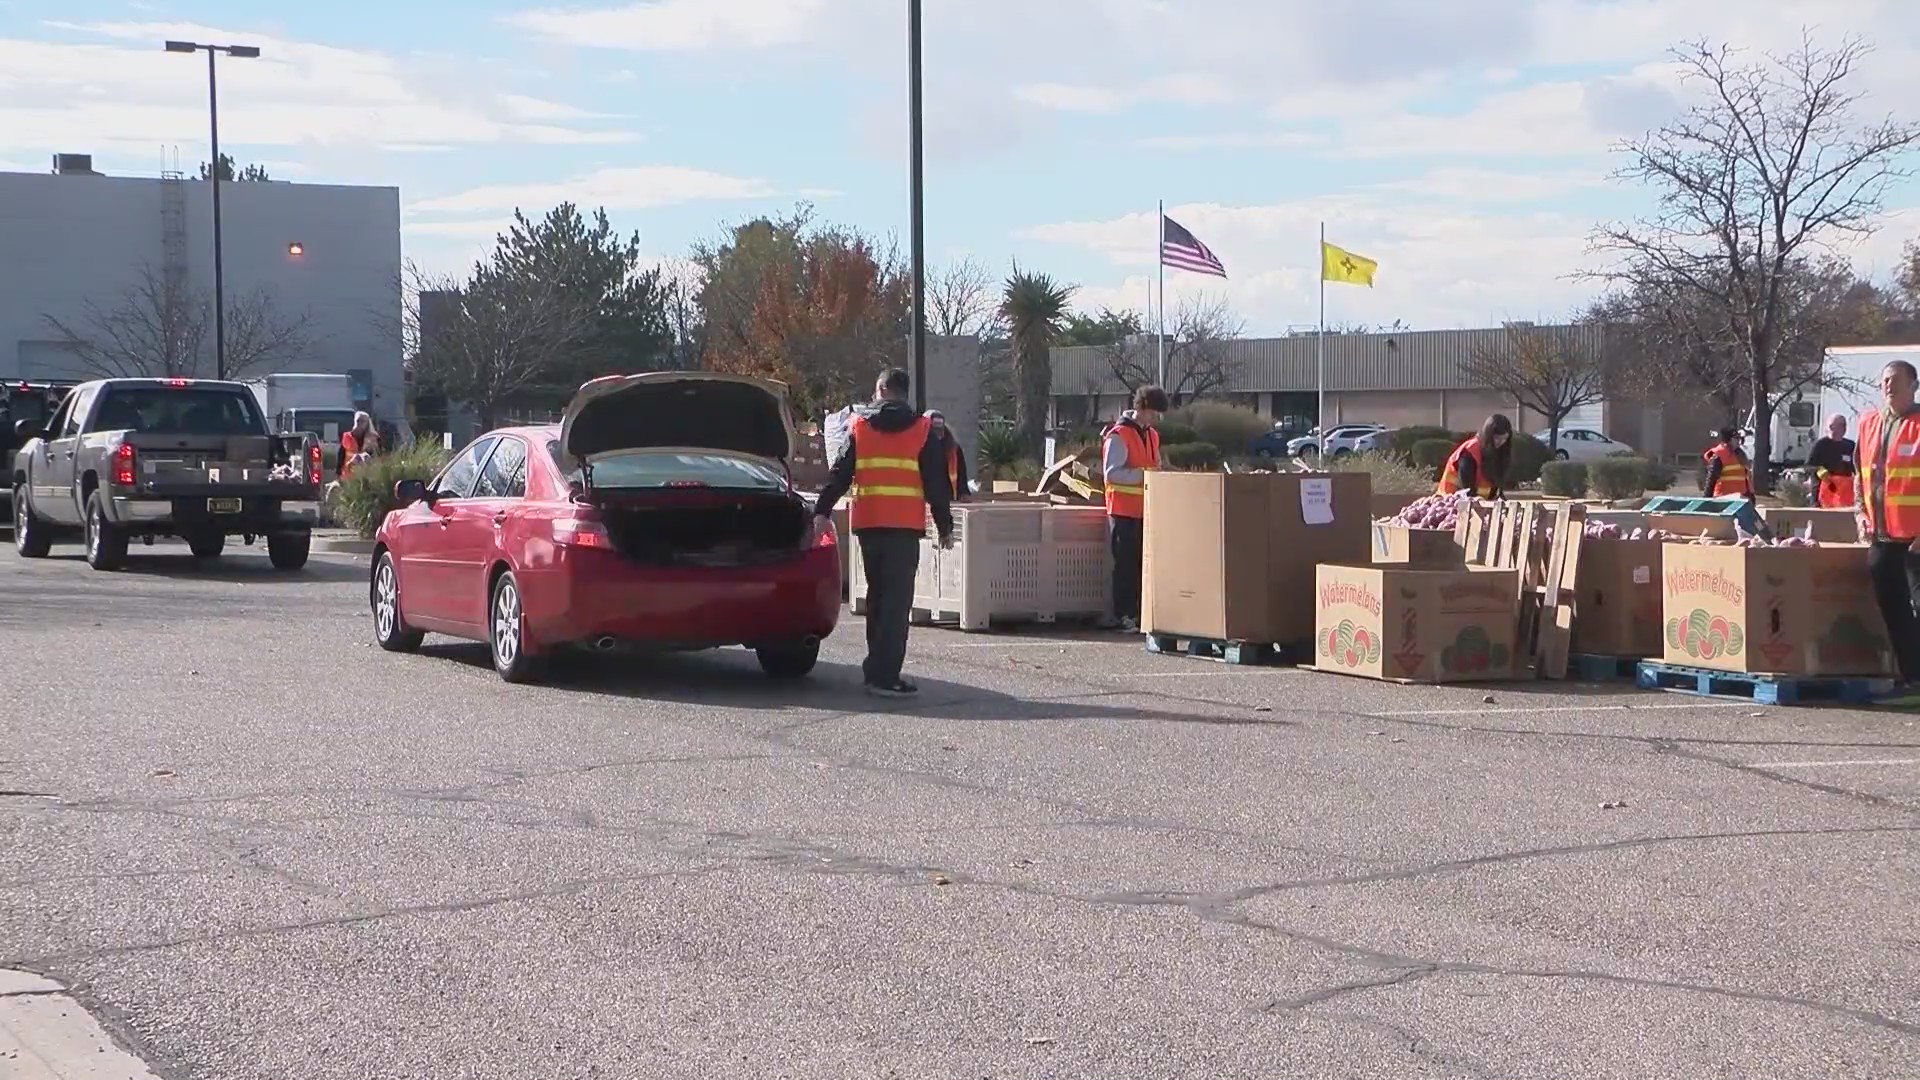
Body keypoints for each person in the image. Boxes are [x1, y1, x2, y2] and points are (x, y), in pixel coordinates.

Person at [813, 368, 955, 697]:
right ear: (904, 393)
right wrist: (945, 526)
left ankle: (875, 670)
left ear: (880, 389)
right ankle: (886, 676)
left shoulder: (859, 427)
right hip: (904, 528)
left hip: (869, 525)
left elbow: (840, 474)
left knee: (877, 599)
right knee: (896, 603)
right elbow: (936, 484)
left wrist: (821, 510)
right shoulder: (922, 431)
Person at [1854, 359, 1920, 687]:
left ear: (1914, 386)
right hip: (1882, 537)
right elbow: (1860, 477)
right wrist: (1860, 515)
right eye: (1884, 381)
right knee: (1894, 612)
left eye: (1896, 380)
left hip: (1916, 540)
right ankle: (1913, 679)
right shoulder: (1869, 424)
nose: (1888, 386)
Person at [1102, 385, 1168, 632]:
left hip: (1146, 511)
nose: (1154, 419)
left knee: (1142, 566)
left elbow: (1155, 464)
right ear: (1140, 409)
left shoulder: (1152, 435)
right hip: (1122, 511)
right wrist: (1145, 475)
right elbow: (1111, 474)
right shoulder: (1118, 435)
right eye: (1152, 413)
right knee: (1125, 565)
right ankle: (1124, 615)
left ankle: (1139, 614)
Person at [1436, 414, 1514, 499]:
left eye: (1504, 439)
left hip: (1480, 502)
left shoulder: (1498, 453)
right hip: (1449, 500)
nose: (1501, 442)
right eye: (1497, 438)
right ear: (1488, 436)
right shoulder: (1469, 452)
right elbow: (1466, 489)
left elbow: (1494, 487)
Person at [1806, 414, 1857, 509]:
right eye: (1831, 426)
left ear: (1844, 428)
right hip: (1821, 495)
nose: (1833, 429)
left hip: (1843, 497)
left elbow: (1857, 469)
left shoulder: (1850, 446)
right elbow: (1809, 466)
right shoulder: (1820, 445)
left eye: (1837, 426)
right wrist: (1820, 471)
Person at [924, 409, 969, 502]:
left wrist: (963, 493)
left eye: (939, 429)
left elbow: (961, 472)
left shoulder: (953, 448)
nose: (937, 434)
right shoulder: (918, 446)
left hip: (948, 497)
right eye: (933, 429)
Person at [1701, 427, 1753, 500]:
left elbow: (1745, 479)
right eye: (1736, 439)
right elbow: (1711, 480)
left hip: (1740, 499)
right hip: (1723, 498)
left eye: (1739, 439)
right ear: (1728, 440)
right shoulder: (1719, 455)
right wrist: (1706, 499)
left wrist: (1751, 496)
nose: (1739, 441)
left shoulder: (1740, 455)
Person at [338, 411, 379, 481]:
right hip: (349, 475)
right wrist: (338, 473)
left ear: (367, 423)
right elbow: (341, 455)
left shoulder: (373, 438)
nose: (359, 423)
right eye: (358, 421)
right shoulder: (347, 436)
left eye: (363, 421)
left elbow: (378, 456)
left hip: (367, 476)